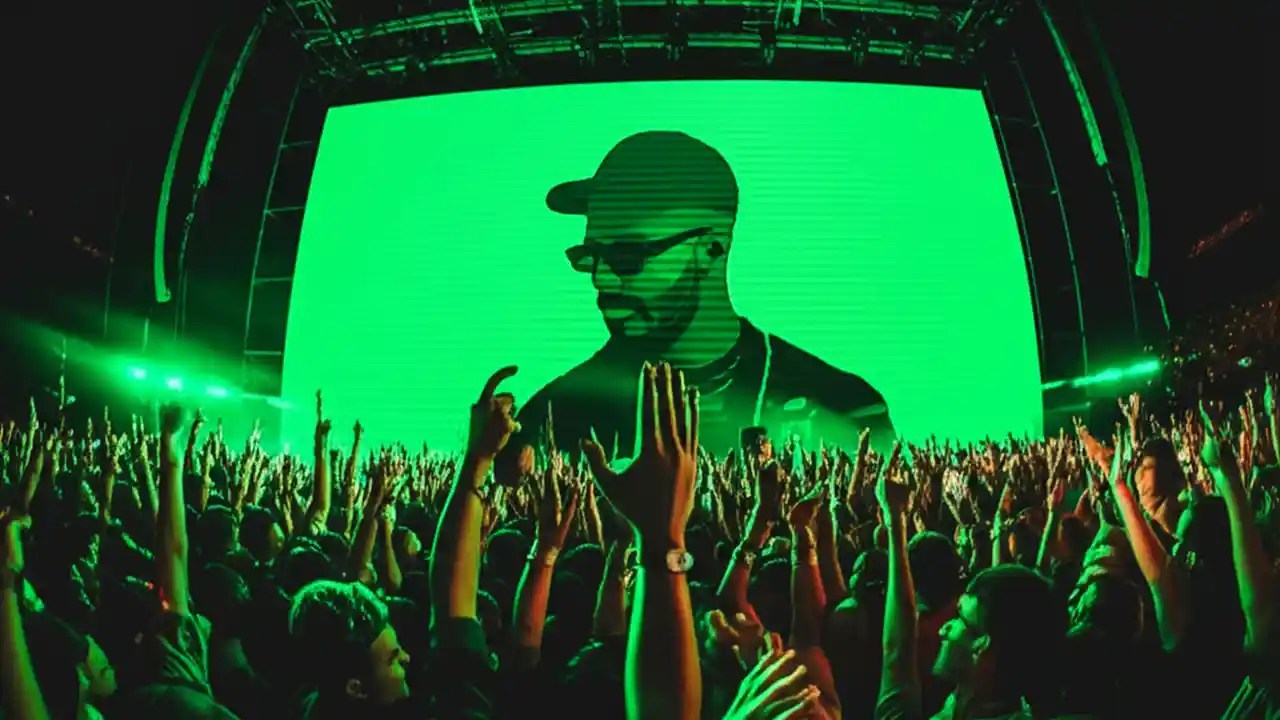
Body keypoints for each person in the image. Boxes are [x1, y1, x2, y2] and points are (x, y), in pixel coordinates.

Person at [498, 131, 894, 480]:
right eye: (589, 256)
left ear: (711, 248)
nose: (601, 278)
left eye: (627, 257)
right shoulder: (551, 419)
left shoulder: (844, 409)